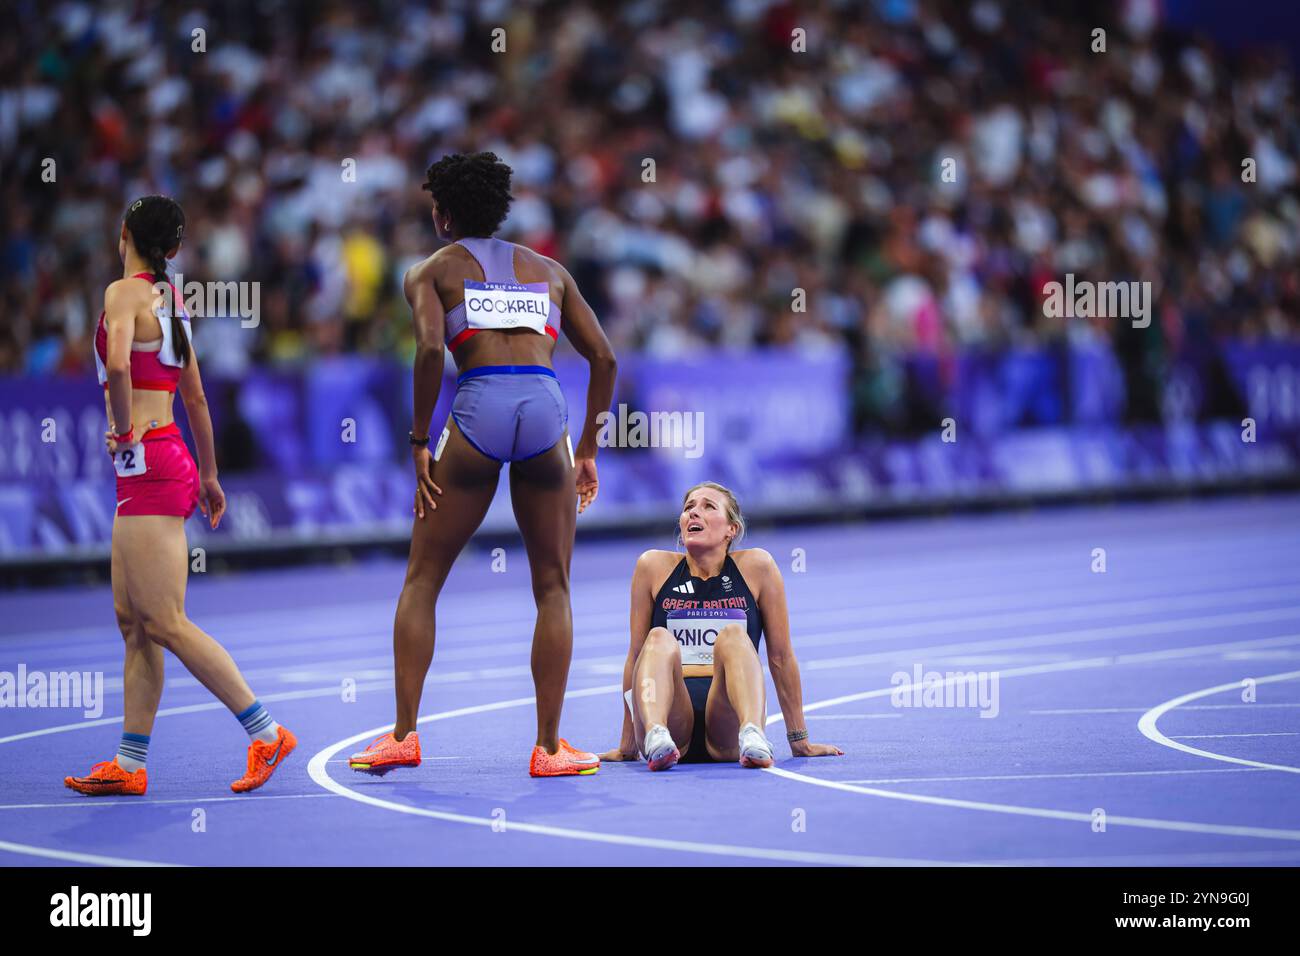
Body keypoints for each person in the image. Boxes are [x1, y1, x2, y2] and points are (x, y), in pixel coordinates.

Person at [348, 152, 617, 778]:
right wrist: (588, 449)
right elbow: (603, 359)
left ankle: (404, 736)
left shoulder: (429, 271)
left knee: (423, 579)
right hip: (546, 412)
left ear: (442, 215)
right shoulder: (549, 270)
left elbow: (429, 350)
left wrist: (419, 440)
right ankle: (550, 748)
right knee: (553, 587)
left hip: (478, 408)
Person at [64, 196, 296, 797]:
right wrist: (212, 475)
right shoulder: (173, 301)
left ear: (125, 236)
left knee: (164, 620)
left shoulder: (124, 293)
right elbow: (195, 397)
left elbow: (117, 367)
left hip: (147, 461)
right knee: (132, 622)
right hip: (168, 457)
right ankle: (130, 761)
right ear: (171, 248)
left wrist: (119, 428)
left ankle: (266, 733)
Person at [600, 482, 843, 770]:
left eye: (708, 507)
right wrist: (628, 746)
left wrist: (799, 740)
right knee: (657, 638)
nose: (694, 513)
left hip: (727, 723)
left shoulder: (757, 567)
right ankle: (655, 734)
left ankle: (752, 733)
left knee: (734, 636)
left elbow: (780, 657)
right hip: (673, 722)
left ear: (732, 529)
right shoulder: (652, 567)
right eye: (689, 507)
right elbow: (636, 658)